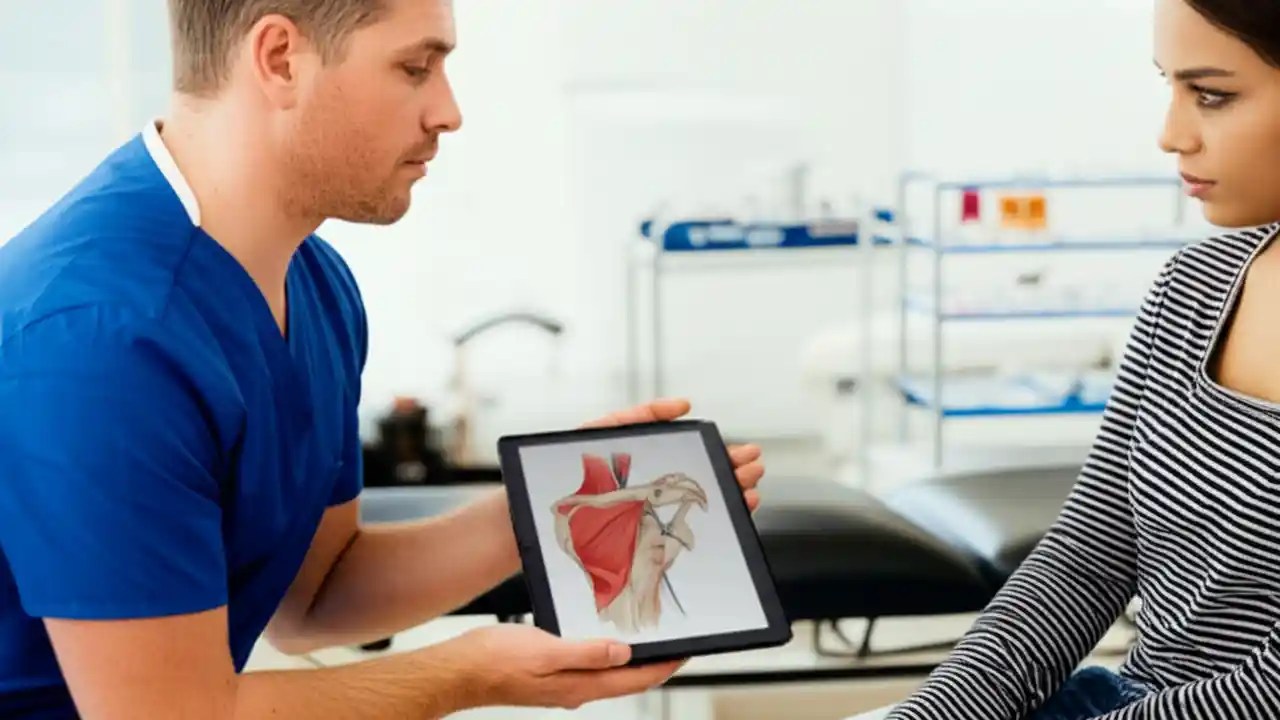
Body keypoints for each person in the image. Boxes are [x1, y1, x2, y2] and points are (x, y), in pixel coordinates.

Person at [0, 1, 768, 718]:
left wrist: (545, 509)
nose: (449, 112)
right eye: (415, 68)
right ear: (280, 59)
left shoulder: (313, 281)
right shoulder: (99, 339)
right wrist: (470, 673)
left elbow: (317, 598)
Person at [857, 0, 1280, 718]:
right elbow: (1087, 555)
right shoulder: (1195, 285)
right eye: (1169, 87)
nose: (1171, 135)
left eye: (1211, 95)